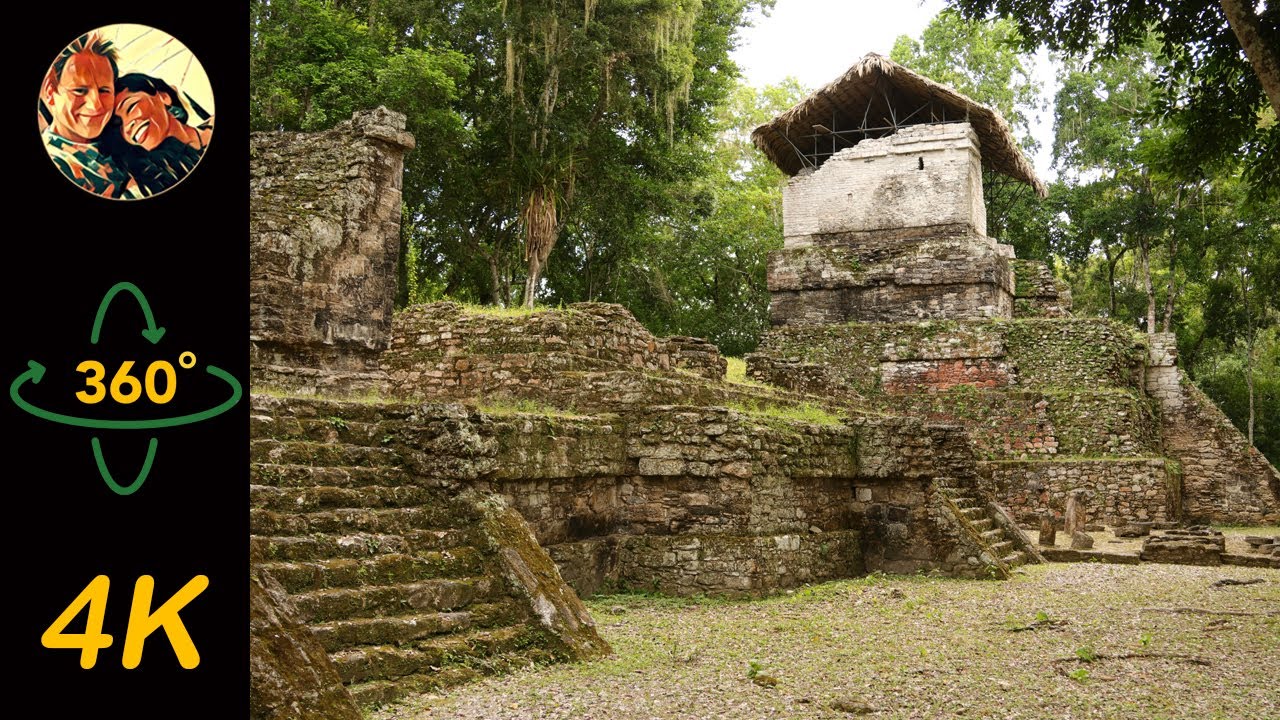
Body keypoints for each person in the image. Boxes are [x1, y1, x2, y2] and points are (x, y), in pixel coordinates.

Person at [39, 32, 137, 198]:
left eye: (104, 91)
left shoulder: (123, 134)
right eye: (80, 91)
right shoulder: (57, 160)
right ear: (50, 91)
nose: (96, 104)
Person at [101, 73, 213, 197]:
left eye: (131, 107)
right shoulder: (140, 190)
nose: (127, 126)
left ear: (163, 97)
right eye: (119, 124)